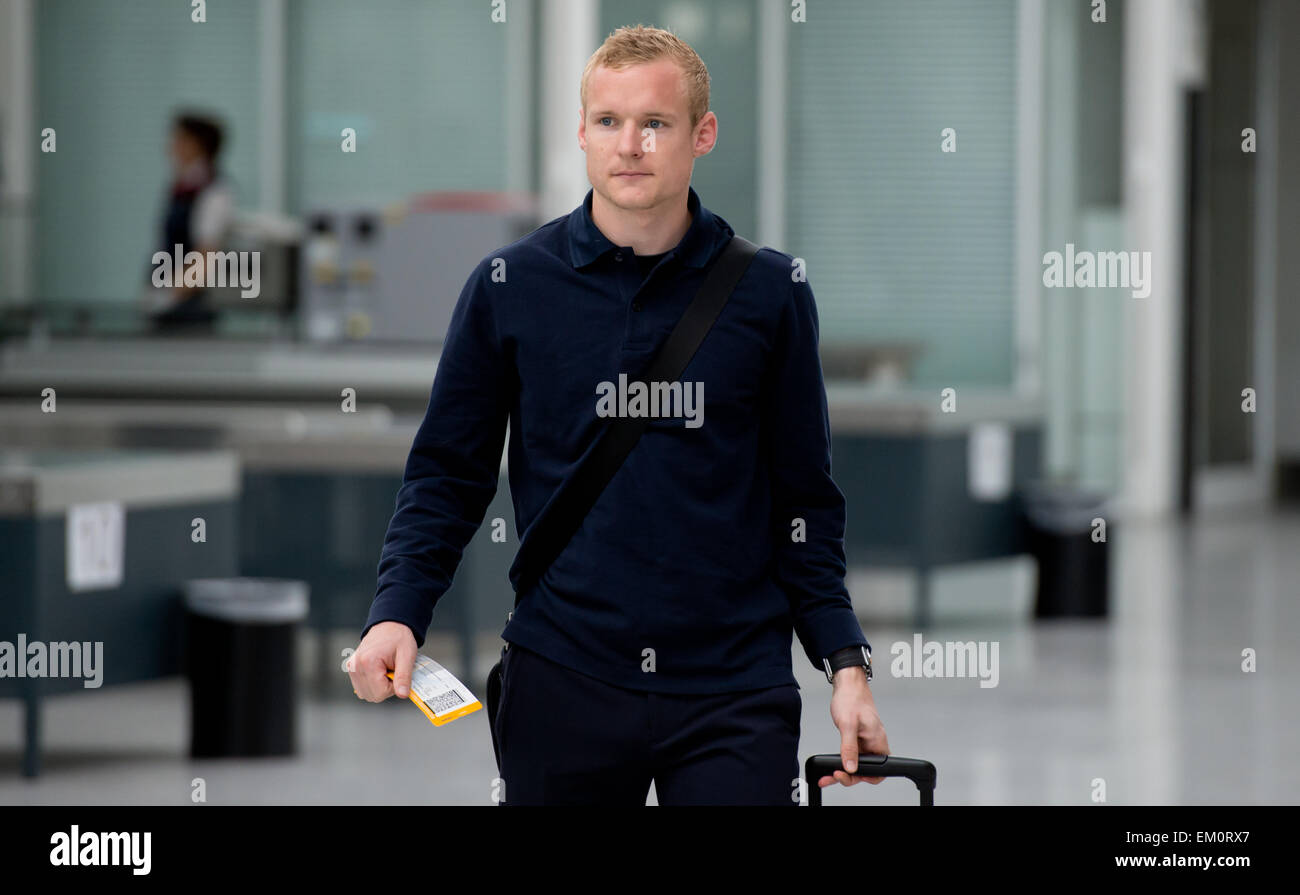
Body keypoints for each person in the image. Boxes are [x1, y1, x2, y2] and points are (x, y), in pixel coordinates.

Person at [349, 25, 889, 805]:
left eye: (655, 123)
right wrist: (397, 613)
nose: (629, 145)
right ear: (582, 133)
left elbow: (804, 503)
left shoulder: (771, 294)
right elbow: (446, 475)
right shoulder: (509, 287)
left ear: (703, 133)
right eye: (608, 121)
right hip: (562, 675)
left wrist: (846, 666)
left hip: (733, 687)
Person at [142, 112, 234, 332]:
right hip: (169, 305)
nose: (171, 147)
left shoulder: (214, 192)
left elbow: (206, 257)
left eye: (179, 139)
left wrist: (168, 295)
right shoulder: (182, 187)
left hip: (189, 311)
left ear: (195, 145)